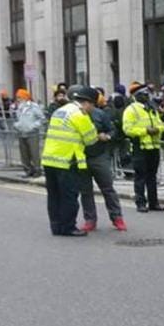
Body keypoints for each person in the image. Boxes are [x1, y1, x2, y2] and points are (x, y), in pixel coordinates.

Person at [41, 86, 100, 236]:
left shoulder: (59, 111)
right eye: (93, 105)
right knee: (69, 196)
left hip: (49, 159)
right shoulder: (80, 115)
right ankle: (68, 227)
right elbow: (91, 139)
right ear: (87, 102)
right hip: (67, 161)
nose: (92, 109)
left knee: (54, 196)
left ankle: (56, 226)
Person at [79, 93, 127, 232]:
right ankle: (90, 219)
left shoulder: (101, 115)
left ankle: (117, 218)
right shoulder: (76, 116)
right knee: (85, 191)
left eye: (85, 103)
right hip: (82, 156)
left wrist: (107, 136)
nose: (82, 106)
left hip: (99, 156)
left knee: (107, 188)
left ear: (92, 104)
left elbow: (113, 130)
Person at [123, 82, 164, 213]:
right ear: (137, 96)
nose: (147, 96)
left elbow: (161, 124)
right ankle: (140, 202)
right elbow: (128, 129)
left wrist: (157, 129)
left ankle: (154, 202)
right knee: (140, 176)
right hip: (140, 147)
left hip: (153, 147)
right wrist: (146, 131)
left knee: (152, 176)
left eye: (148, 94)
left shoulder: (152, 108)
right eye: (144, 94)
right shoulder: (131, 110)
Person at [12, 89, 45, 178]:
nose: (18, 99)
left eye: (19, 97)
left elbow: (42, 118)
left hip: (32, 133)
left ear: (25, 97)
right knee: (24, 154)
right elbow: (17, 119)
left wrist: (34, 126)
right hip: (21, 133)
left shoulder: (34, 107)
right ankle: (28, 170)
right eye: (17, 97)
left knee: (34, 153)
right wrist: (17, 125)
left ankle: (37, 170)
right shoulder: (19, 107)